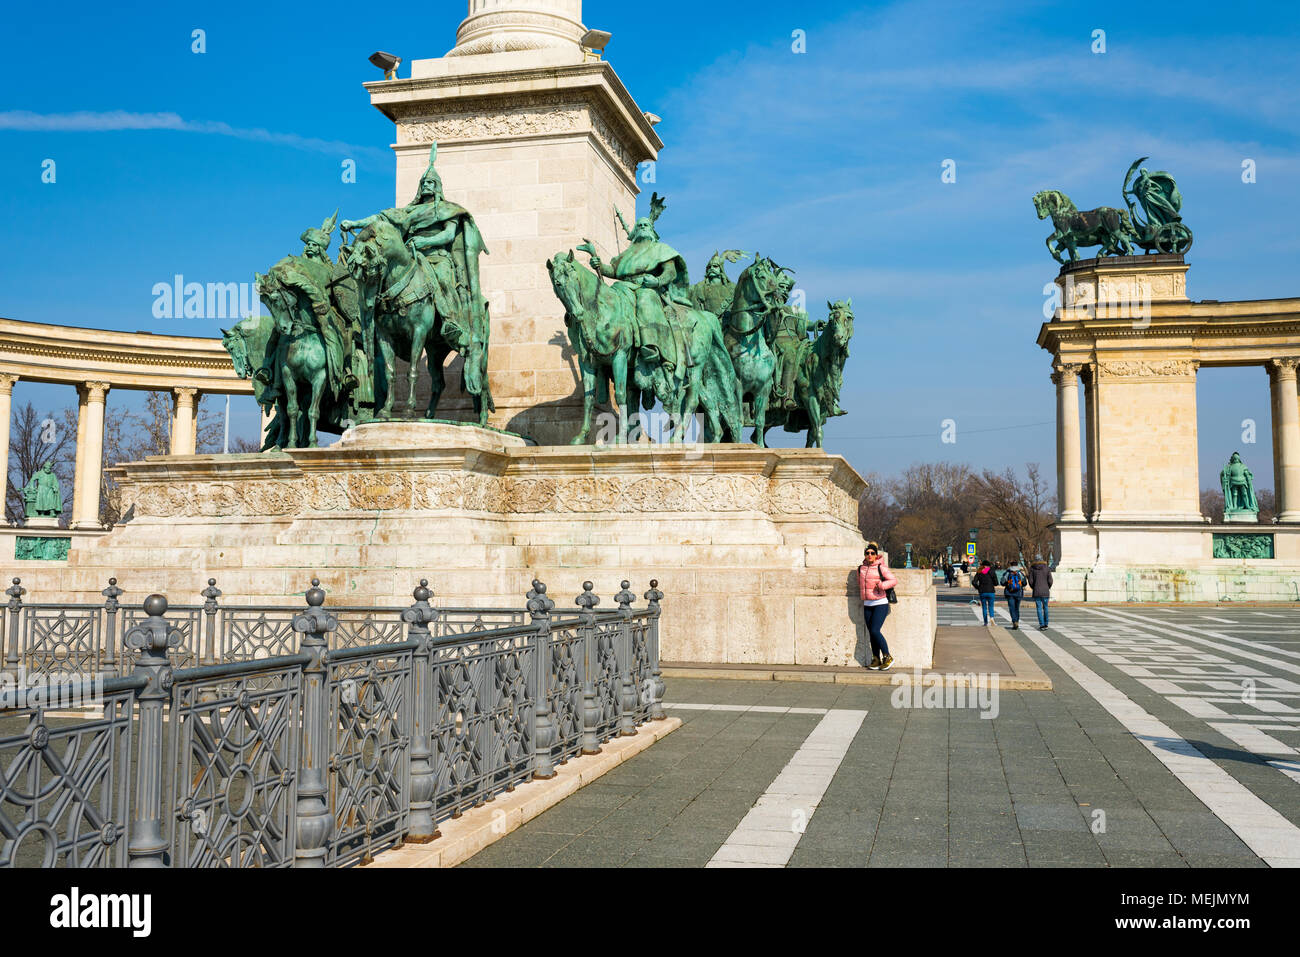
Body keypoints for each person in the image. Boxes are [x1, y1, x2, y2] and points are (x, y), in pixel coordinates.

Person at [858, 543, 899, 671]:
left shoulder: (881, 567)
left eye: (872, 553)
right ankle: (876, 659)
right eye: (867, 553)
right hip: (867, 603)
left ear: (876, 555)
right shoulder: (861, 569)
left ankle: (887, 657)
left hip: (880, 603)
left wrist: (881, 586)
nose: (869, 555)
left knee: (875, 630)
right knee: (871, 633)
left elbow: (893, 580)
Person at [1029, 553, 1053, 630]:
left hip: (1037, 591)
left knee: (1039, 608)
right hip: (1045, 591)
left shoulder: (1032, 569)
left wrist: (1034, 587)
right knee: (1045, 608)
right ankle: (1046, 624)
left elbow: (1030, 581)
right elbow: (1050, 580)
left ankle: (1042, 624)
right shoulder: (1047, 568)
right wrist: (1047, 587)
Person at [971, 560, 998, 626]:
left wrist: (978, 587)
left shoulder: (979, 571)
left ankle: (985, 622)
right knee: (991, 606)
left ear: (982, 565)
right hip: (991, 591)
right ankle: (992, 618)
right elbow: (996, 583)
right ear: (989, 565)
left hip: (982, 591)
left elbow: (974, 582)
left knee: (984, 607)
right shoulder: (992, 571)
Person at [1002, 561, 1026, 630]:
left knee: (1012, 608)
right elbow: (1024, 583)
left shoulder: (1007, 572)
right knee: (1016, 608)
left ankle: (1014, 621)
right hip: (1018, 593)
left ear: (1010, 565)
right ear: (1017, 565)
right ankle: (1017, 621)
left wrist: (1007, 584)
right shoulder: (1020, 573)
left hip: (1010, 593)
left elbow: (1002, 582)